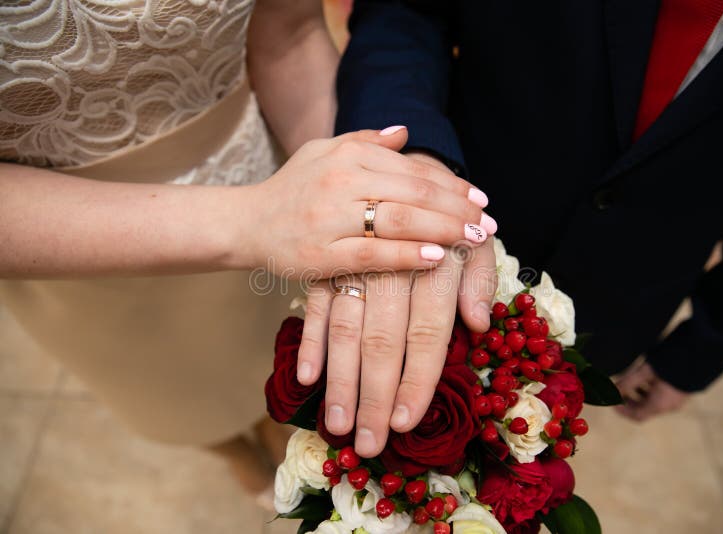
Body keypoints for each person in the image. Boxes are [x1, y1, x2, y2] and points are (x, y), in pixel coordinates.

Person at [0, 0, 494, 507]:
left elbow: (290, 36)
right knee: (177, 392)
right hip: (77, 251)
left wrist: (380, 206)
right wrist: (252, 219)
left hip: (278, 179)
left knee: (279, 356)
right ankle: (230, 452)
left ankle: (266, 426)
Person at [330, 0, 723, 433]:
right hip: (433, 224)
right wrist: (415, 160)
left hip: (609, 314)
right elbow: (406, 11)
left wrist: (701, 350)